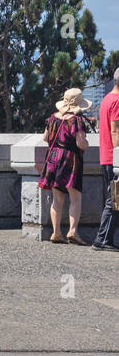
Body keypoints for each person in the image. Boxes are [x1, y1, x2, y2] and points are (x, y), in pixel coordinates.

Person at [38, 87, 92, 245]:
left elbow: (45, 138)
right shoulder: (76, 120)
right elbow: (80, 144)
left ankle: (56, 233)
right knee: (75, 197)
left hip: (53, 158)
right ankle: (73, 231)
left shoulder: (52, 118)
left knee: (57, 199)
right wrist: (87, 143)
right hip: (69, 159)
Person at [92, 70, 119, 252]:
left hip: (106, 157)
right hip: (113, 158)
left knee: (114, 198)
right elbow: (115, 131)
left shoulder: (107, 99)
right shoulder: (117, 101)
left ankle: (104, 239)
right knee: (114, 199)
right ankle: (102, 240)